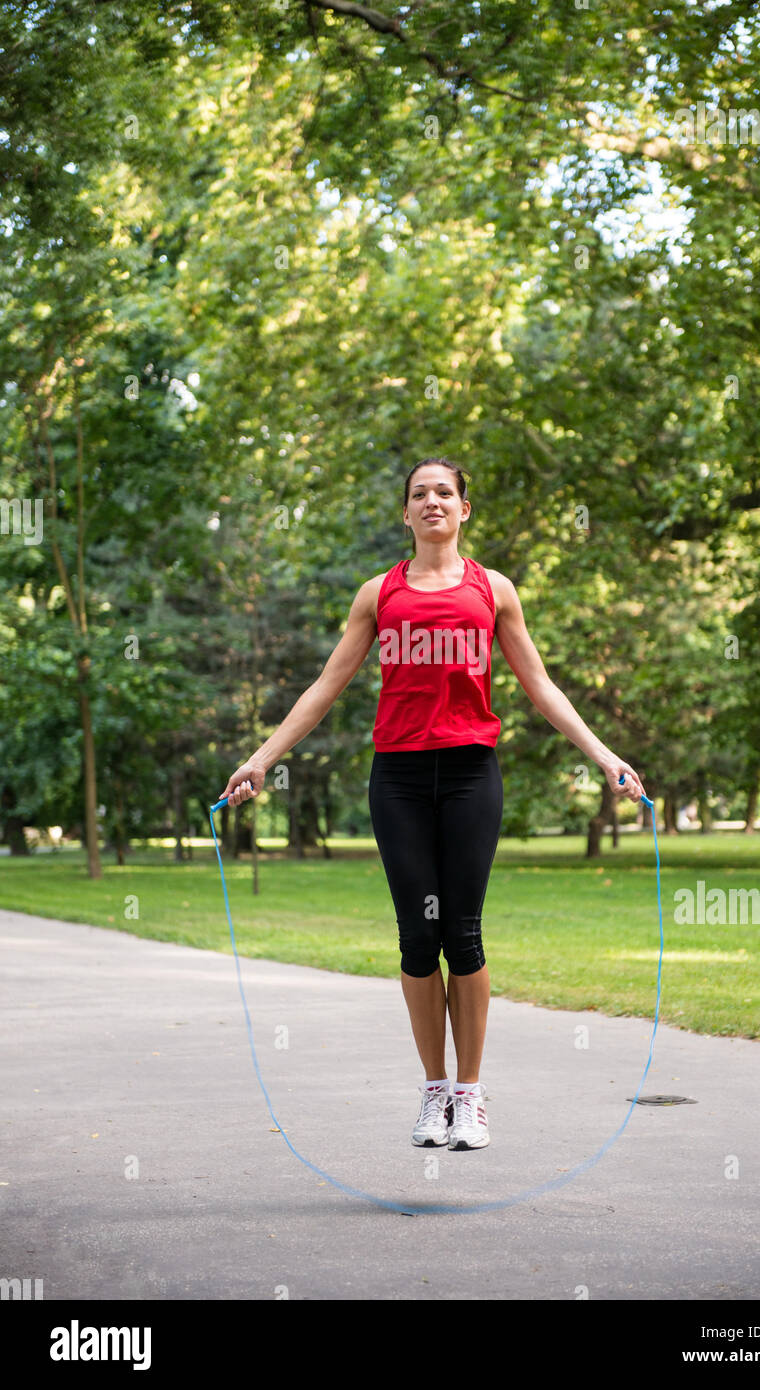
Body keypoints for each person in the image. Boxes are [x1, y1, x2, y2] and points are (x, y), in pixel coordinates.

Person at [218, 457, 646, 1151]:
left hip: (472, 776)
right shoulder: (377, 594)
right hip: (400, 781)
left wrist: (603, 756)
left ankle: (471, 1096)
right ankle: (433, 1091)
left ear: (463, 508)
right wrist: (261, 758)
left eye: (443, 492)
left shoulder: (494, 590)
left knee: (463, 934)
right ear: (407, 513)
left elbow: (538, 685)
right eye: (419, 494)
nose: (431, 502)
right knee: (418, 939)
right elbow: (326, 686)